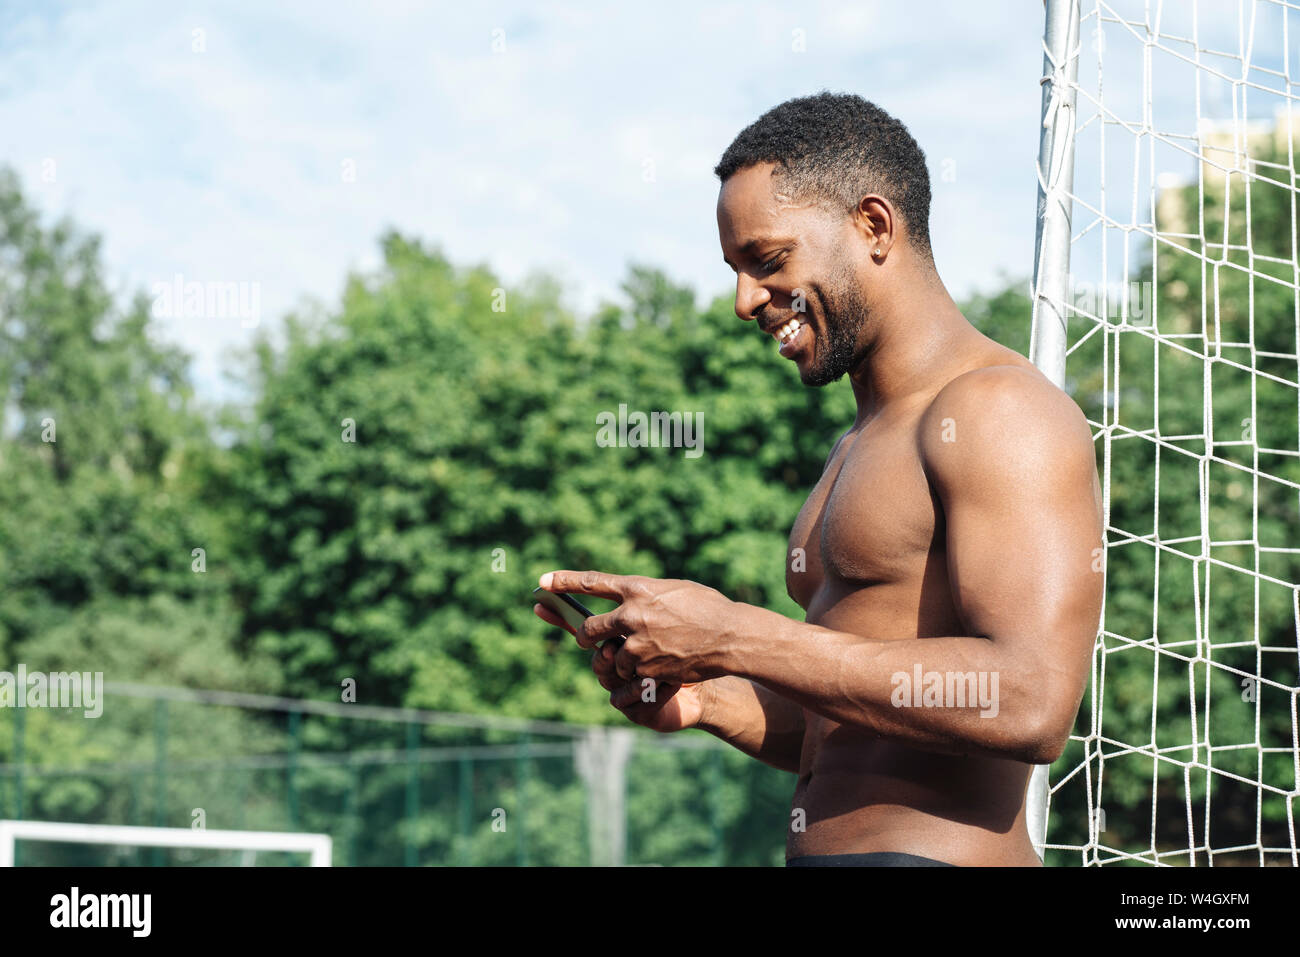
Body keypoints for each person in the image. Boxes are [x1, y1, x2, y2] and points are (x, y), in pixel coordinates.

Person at [534, 91, 1103, 867]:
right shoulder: (855, 443)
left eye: (767, 261)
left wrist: (734, 632)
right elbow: (849, 723)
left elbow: (1030, 697)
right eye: (735, 270)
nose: (743, 301)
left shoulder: (999, 408)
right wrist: (709, 695)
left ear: (873, 226)